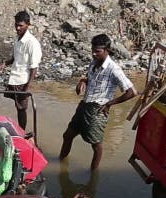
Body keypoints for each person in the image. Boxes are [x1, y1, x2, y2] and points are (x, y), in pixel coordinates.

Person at [59, 34, 137, 171]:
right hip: (84, 105)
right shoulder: (94, 62)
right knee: (67, 135)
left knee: (96, 145)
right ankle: (60, 164)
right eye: (93, 50)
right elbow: (91, 78)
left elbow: (132, 92)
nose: (94, 54)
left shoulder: (113, 69)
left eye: (98, 51)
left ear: (107, 50)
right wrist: (83, 81)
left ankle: (93, 174)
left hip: (97, 109)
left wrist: (109, 104)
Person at [0, 10, 42, 132]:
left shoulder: (32, 43)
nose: (17, 28)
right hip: (14, 78)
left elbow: (34, 68)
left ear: (28, 25)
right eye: (16, 25)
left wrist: (27, 87)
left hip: (23, 80)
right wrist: (5, 64)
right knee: (18, 107)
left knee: (22, 109)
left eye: (20, 25)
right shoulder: (18, 38)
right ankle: (20, 130)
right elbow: (15, 57)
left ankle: (22, 132)